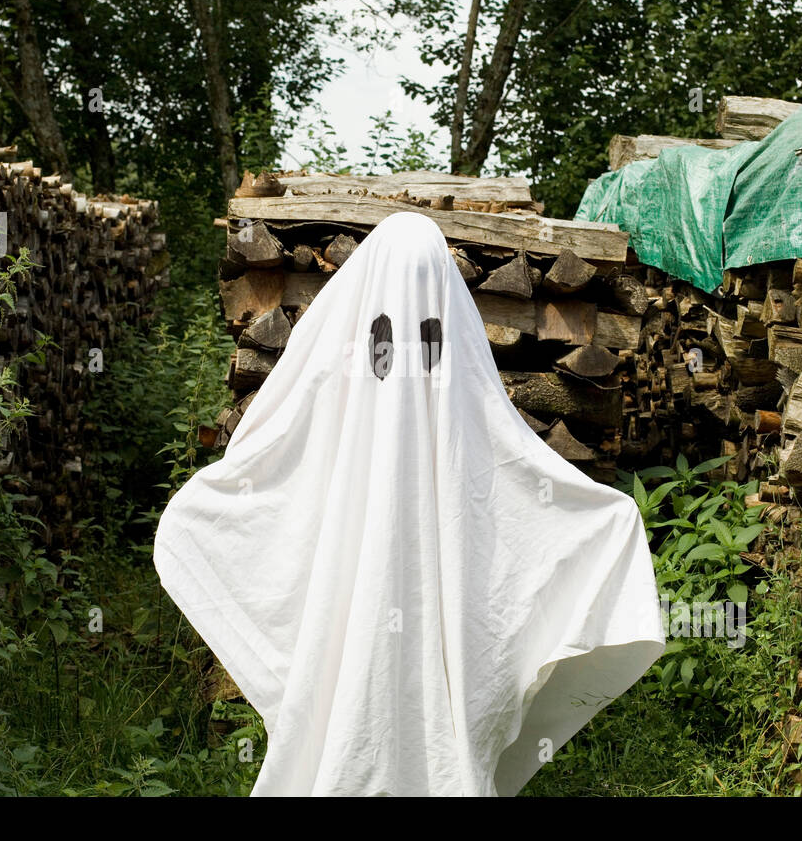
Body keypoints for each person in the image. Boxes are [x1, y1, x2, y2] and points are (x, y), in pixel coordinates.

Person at [154, 210, 665, 796]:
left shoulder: (342, 360)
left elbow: (279, 440)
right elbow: (509, 465)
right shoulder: (446, 356)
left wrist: (608, 522)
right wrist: (607, 516)